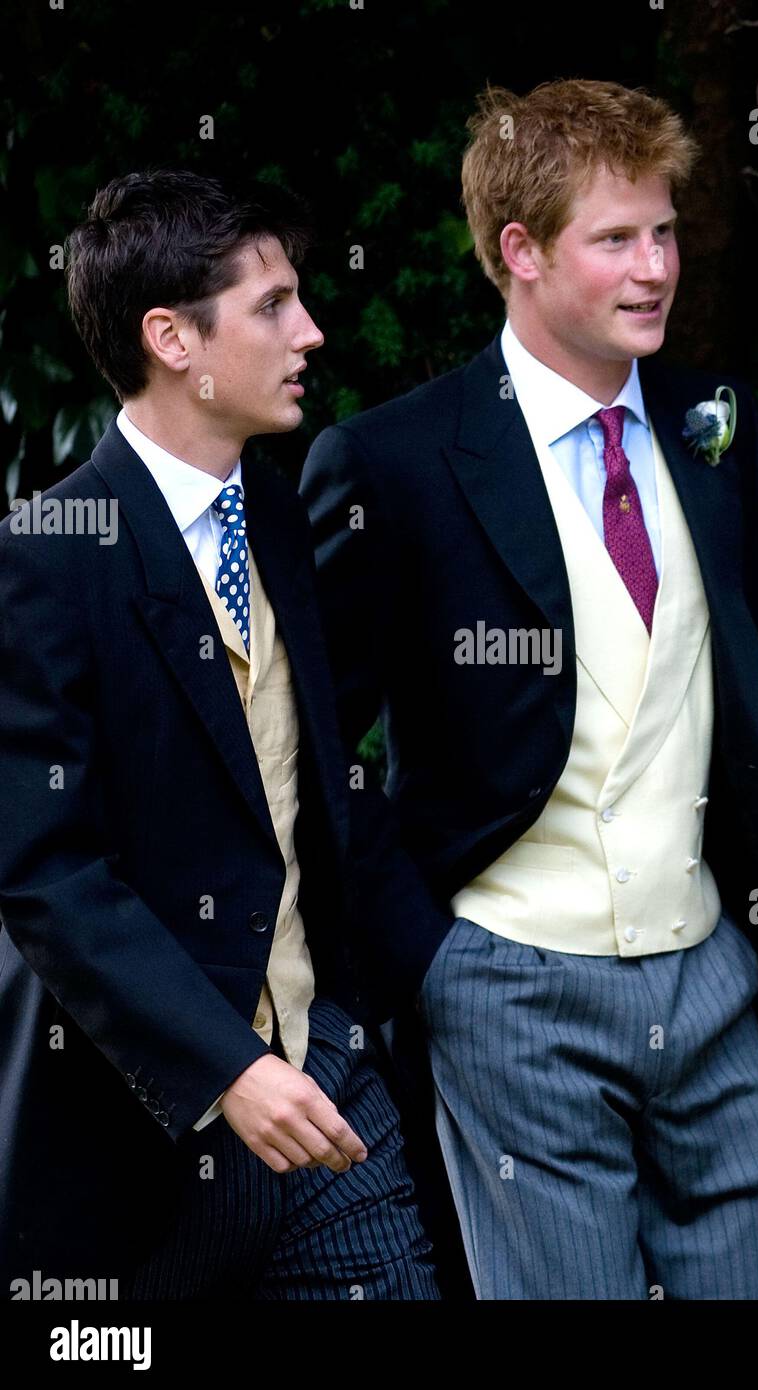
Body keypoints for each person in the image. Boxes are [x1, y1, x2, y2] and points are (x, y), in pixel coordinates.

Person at [300, 78, 758, 1300]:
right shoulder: (394, 460)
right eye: (615, 238)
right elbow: (312, 740)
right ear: (519, 251)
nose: (654, 265)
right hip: (511, 988)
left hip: (714, 979)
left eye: (663, 231)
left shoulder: (714, 427)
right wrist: (431, 963)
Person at [0, 169, 439, 1300]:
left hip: (328, 1093)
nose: (311, 329)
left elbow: (321, 788)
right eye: (273, 306)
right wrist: (225, 1064)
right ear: (172, 339)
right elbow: (48, 874)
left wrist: (446, 977)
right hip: (128, 1150)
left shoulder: (281, 521)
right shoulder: (43, 557)